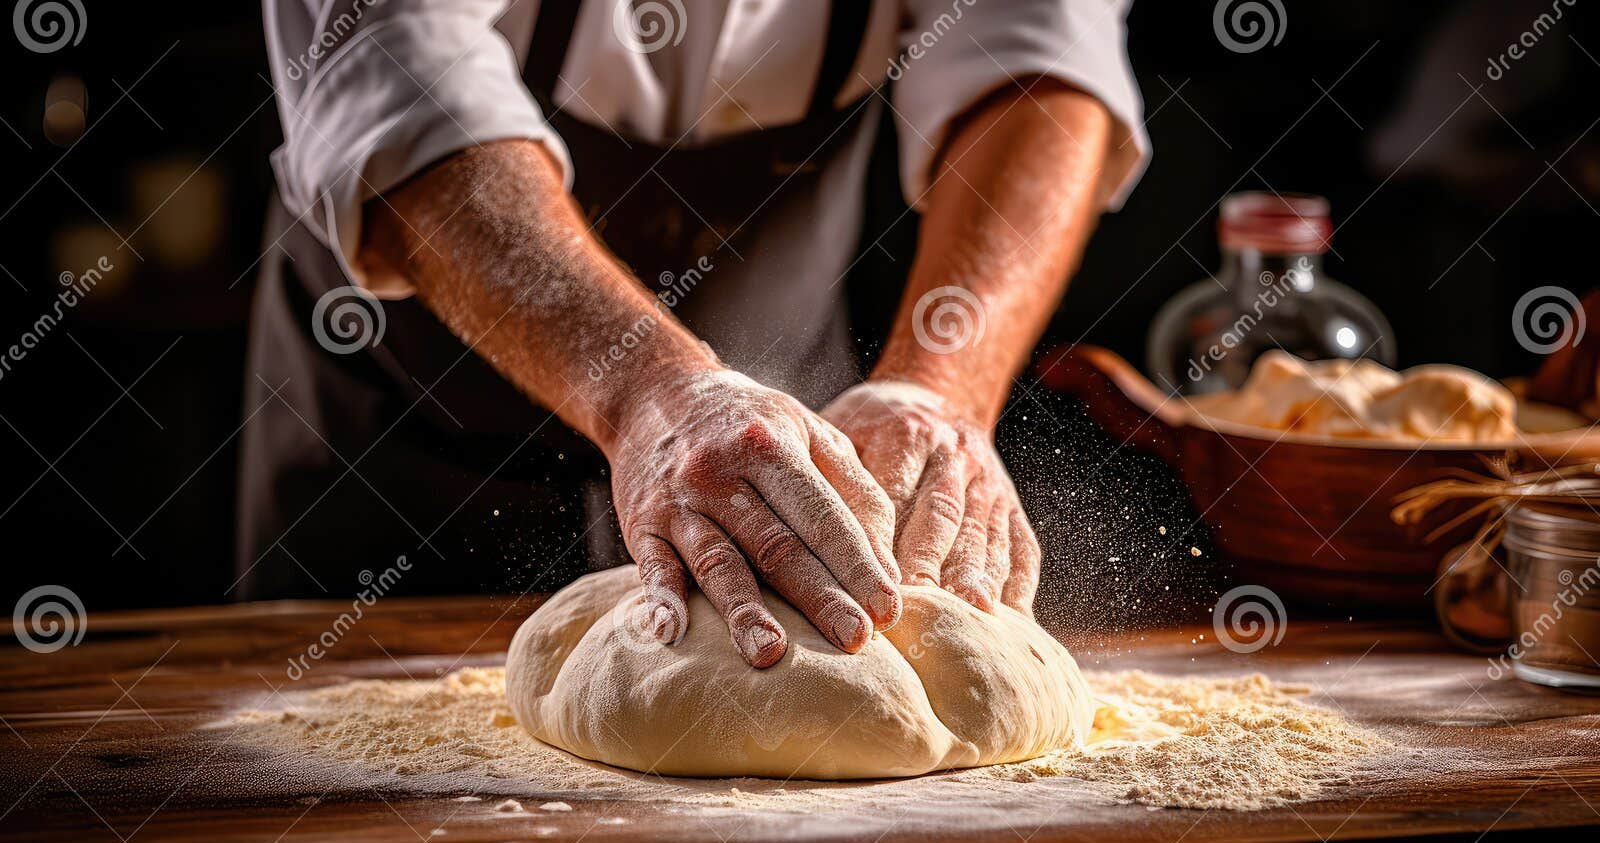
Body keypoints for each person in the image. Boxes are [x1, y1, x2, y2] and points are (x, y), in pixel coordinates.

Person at [243, 0, 1147, 667]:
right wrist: (650, 391)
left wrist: (939, 387)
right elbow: (396, 80)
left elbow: (1039, 62)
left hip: (777, 447)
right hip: (410, 442)